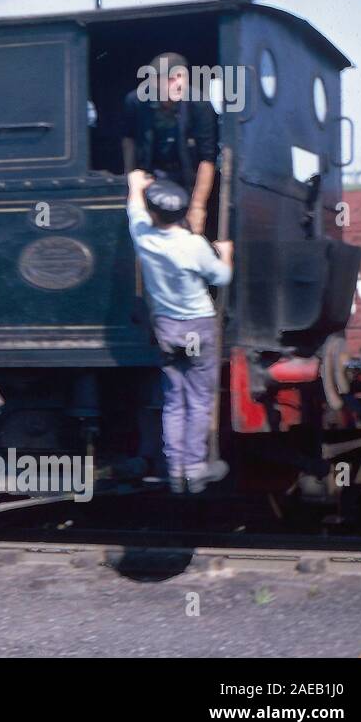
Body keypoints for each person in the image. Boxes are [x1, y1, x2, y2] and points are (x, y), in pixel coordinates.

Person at [126, 169, 234, 494]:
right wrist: (226, 253)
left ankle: (175, 472)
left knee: (174, 400)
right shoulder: (194, 245)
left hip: (168, 328)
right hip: (198, 326)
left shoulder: (143, 237)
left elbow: (134, 209)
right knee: (199, 400)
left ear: (153, 213)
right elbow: (222, 278)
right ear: (183, 213)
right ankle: (195, 468)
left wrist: (135, 185)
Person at [122, 52, 218, 235]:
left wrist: (198, 206)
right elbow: (129, 139)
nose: (178, 84)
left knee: (189, 232)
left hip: (186, 177)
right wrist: (131, 176)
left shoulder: (199, 104)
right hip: (151, 174)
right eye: (171, 79)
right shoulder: (135, 102)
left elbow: (207, 158)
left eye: (181, 77)